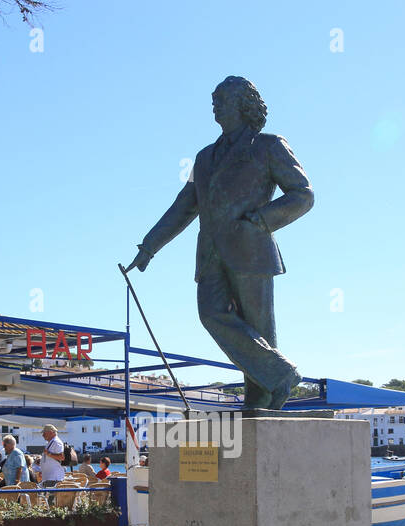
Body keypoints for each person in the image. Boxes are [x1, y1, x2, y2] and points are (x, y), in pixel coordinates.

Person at [128, 76, 311, 409]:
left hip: (251, 248)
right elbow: (184, 206)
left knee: (258, 327)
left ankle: (260, 399)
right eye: (214, 101)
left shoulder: (268, 145)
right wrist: (149, 246)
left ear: (243, 104)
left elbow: (302, 194)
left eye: (221, 100)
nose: (215, 107)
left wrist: (261, 220)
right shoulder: (205, 157)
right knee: (211, 313)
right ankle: (281, 373)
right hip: (211, 254)